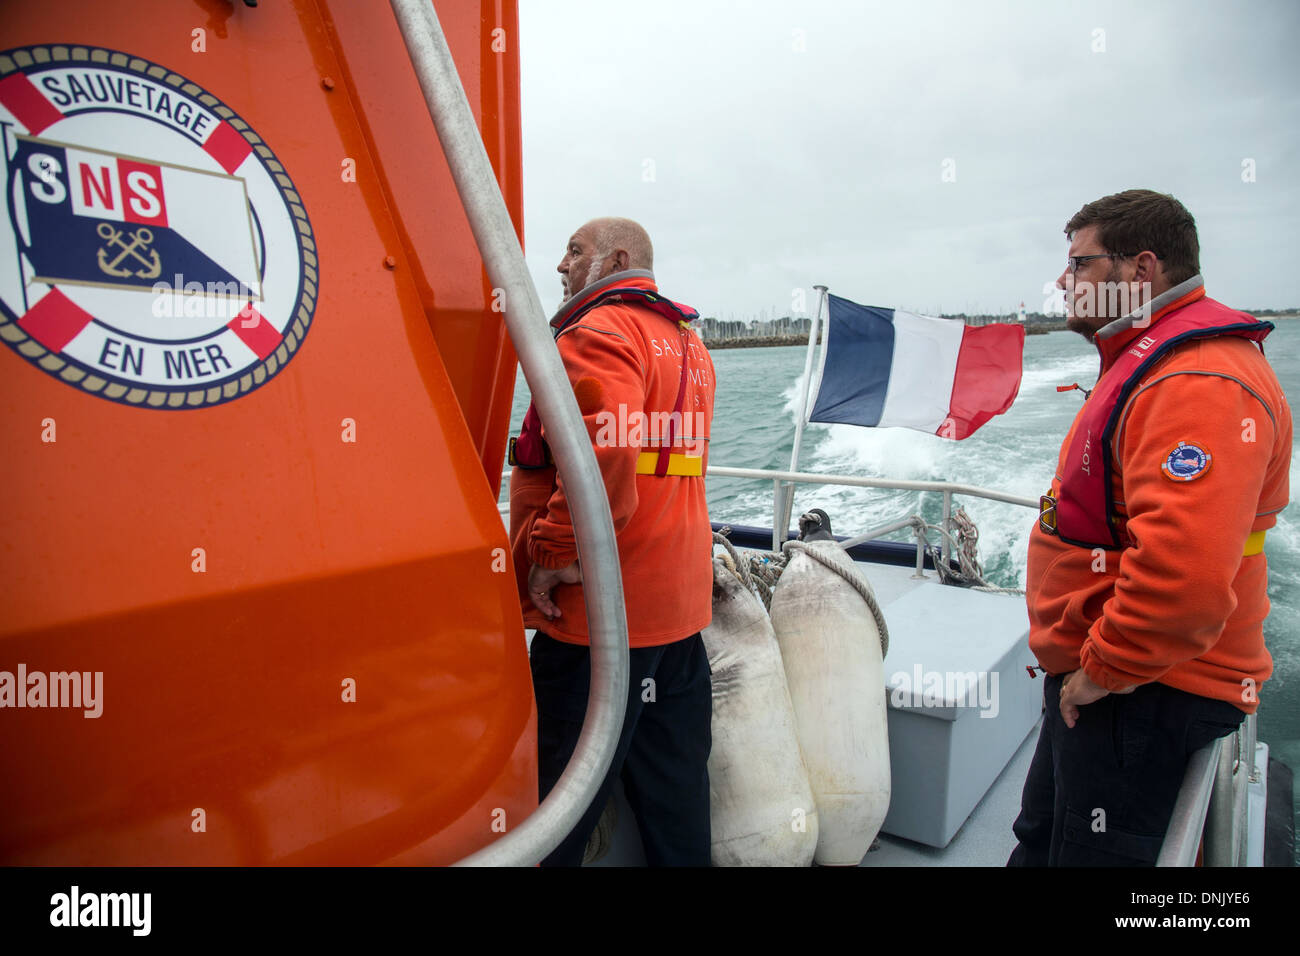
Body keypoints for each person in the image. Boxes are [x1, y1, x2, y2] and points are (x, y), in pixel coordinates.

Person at [1008, 189, 1292, 866]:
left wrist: (1102, 670)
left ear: (1140, 270)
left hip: (1146, 696)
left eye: (1080, 264)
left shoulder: (1196, 380)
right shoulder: (1155, 362)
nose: (1062, 281)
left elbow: (1185, 579)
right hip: (1120, 684)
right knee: (1044, 842)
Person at [508, 217, 716, 866]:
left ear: (616, 259)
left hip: (604, 622)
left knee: (556, 807)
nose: (561, 265)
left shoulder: (596, 330)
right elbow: (664, 460)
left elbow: (608, 453)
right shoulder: (689, 343)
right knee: (676, 791)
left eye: (575, 251)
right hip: (680, 610)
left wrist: (554, 553)